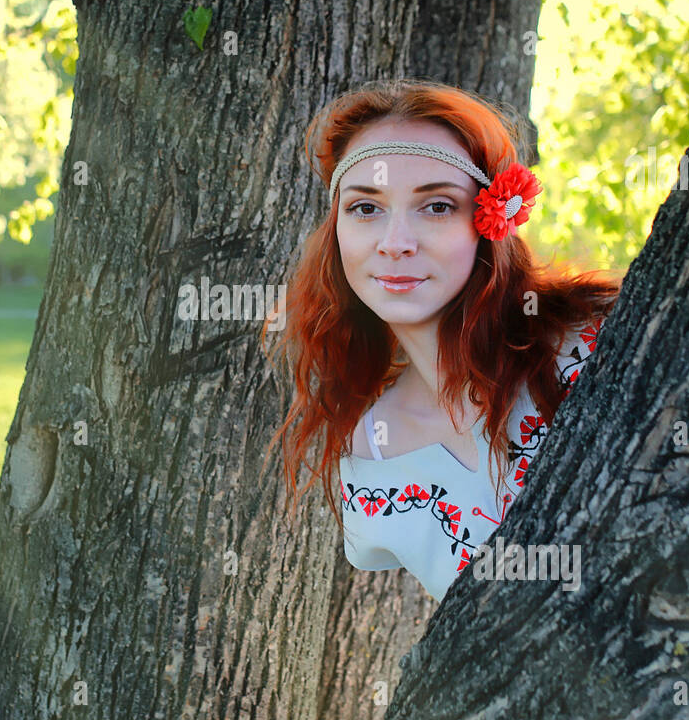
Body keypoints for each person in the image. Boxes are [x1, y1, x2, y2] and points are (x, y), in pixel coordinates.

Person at [262, 77, 620, 603]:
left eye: (436, 207)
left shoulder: (592, 340)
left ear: (490, 221)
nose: (396, 243)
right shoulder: (370, 459)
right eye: (366, 208)